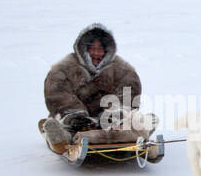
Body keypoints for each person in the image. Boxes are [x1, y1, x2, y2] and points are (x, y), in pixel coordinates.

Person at [39, 23, 157, 153]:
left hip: (112, 121)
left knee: (142, 120)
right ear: (83, 50)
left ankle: (141, 139)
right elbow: (58, 96)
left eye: (100, 48)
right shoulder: (63, 69)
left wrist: (114, 115)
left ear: (107, 50)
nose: (96, 53)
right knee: (67, 127)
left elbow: (128, 94)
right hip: (77, 122)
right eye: (91, 48)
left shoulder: (123, 70)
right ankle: (61, 139)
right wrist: (76, 117)